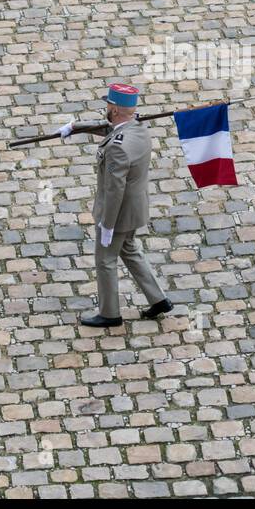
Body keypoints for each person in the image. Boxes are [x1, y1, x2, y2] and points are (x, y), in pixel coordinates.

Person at [62, 83, 173, 327]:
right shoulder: (139, 128)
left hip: (118, 215)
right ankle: (158, 299)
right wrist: (74, 127)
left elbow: (114, 190)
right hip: (135, 209)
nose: (106, 108)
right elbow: (111, 130)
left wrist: (107, 224)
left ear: (113, 110)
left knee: (105, 260)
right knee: (129, 250)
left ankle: (110, 313)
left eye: (108, 105)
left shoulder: (116, 149)